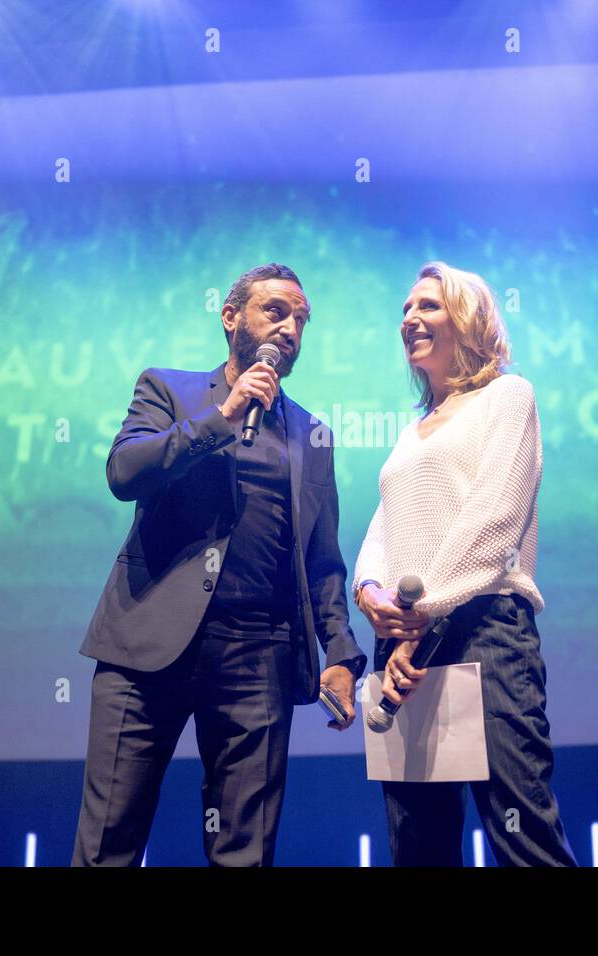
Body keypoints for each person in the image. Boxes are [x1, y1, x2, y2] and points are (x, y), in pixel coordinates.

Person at [73, 263, 367, 867]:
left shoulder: (313, 435)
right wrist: (222, 417)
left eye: (302, 320)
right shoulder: (167, 389)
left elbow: (323, 559)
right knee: (109, 842)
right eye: (276, 312)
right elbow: (124, 473)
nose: (291, 329)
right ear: (231, 317)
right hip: (146, 644)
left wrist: (340, 653)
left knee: (245, 851)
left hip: (257, 654)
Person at [353, 261, 575, 867]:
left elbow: (494, 521)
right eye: (404, 309)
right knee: (417, 846)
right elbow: (387, 522)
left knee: (521, 829)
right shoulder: (414, 428)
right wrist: (368, 590)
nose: (409, 319)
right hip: (402, 642)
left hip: (484, 633)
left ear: (468, 316)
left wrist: (415, 616)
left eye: (427, 305)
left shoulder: (507, 396)